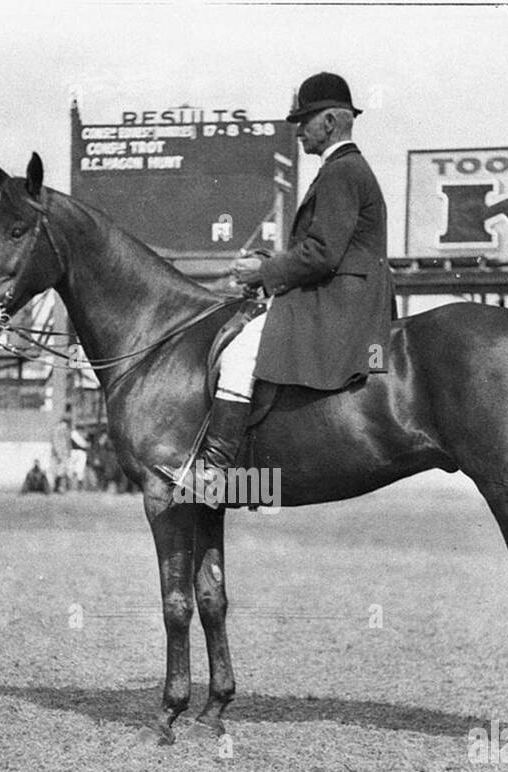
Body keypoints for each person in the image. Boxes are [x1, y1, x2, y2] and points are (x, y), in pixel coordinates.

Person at [158, 71, 394, 504]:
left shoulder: (342, 173)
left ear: (330, 122)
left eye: (304, 119)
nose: (299, 129)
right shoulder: (344, 169)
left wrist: (262, 274)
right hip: (341, 295)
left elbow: (322, 254)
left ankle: (214, 471)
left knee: (241, 350)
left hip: (341, 304)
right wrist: (269, 266)